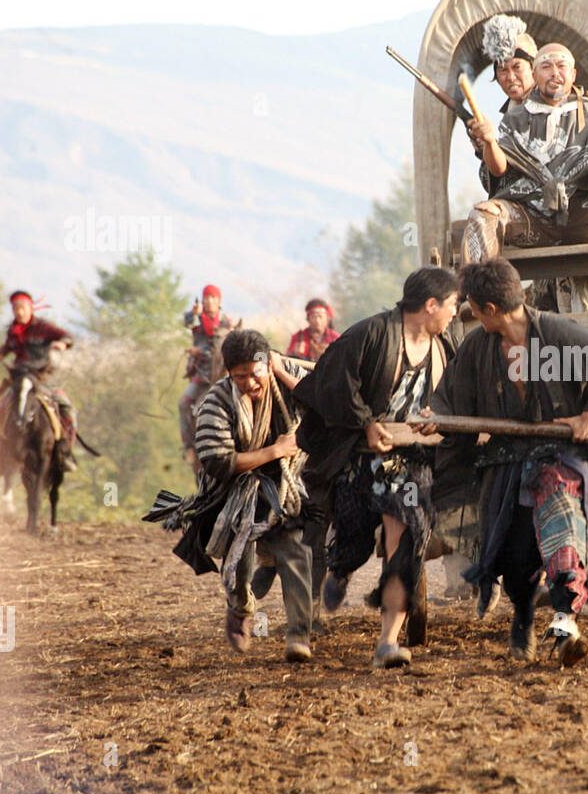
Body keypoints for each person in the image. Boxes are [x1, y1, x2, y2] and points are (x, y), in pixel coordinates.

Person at [425, 259, 588, 665]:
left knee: (564, 539)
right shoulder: (478, 346)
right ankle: (522, 616)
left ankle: (565, 626)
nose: (471, 314)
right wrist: (435, 419)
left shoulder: (556, 335)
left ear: (490, 309)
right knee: (514, 554)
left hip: (557, 459)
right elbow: (448, 395)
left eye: (473, 307)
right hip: (505, 462)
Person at [293, 268, 460, 668]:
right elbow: (333, 383)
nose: (456, 312)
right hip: (360, 454)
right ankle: (340, 569)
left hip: (411, 460)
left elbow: (456, 394)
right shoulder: (370, 335)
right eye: (453, 304)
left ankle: (387, 641)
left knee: (405, 537)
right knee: (352, 534)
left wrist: (440, 416)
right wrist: (365, 424)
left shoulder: (445, 347)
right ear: (431, 305)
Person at [145, 330, 315, 662]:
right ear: (228, 374)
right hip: (232, 490)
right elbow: (219, 461)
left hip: (282, 483)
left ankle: (299, 635)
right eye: (241, 376)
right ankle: (240, 606)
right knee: (239, 563)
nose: (251, 382)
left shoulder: (284, 383)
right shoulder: (215, 402)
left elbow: (322, 397)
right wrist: (274, 450)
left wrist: (279, 369)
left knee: (294, 550)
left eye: (257, 372)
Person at [462, 43, 588, 311]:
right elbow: (499, 170)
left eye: (561, 67)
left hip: (580, 215)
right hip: (531, 218)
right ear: (535, 75)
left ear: (573, 74)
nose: (555, 73)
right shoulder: (515, 118)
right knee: (484, 213)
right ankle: (477, 298)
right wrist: (489, 142)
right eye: (546, 67)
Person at [0, 290, 77, 475]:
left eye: (22, 308)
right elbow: (6, 350)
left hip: (42, 379)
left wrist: (62, 344)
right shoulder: (12, 331)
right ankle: (0, 453)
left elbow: (68, 337)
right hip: (19, 380)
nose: (19, 312)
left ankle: (64, 453)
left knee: (66, 408)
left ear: (30, 308)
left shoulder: (43, 328)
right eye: (15, 309)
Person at [468, 14, 539, 197]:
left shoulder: (550, 106)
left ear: (533, 67)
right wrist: (485, 150)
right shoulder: (511, 113)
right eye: (502, 70)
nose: (510, 77)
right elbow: (498, 177)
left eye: (517, 67)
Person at [180, 285, 237, 475]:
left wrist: (200, 351)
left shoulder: (227, 323)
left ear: (219, 301)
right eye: (206, 298)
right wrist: (191, 313)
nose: (209, 302)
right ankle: (189, 446)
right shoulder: (197, 320)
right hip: (201, 374)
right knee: (184, 403)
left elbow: (222, 348)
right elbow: (186, 323)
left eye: (213, 298)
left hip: (223, 372)